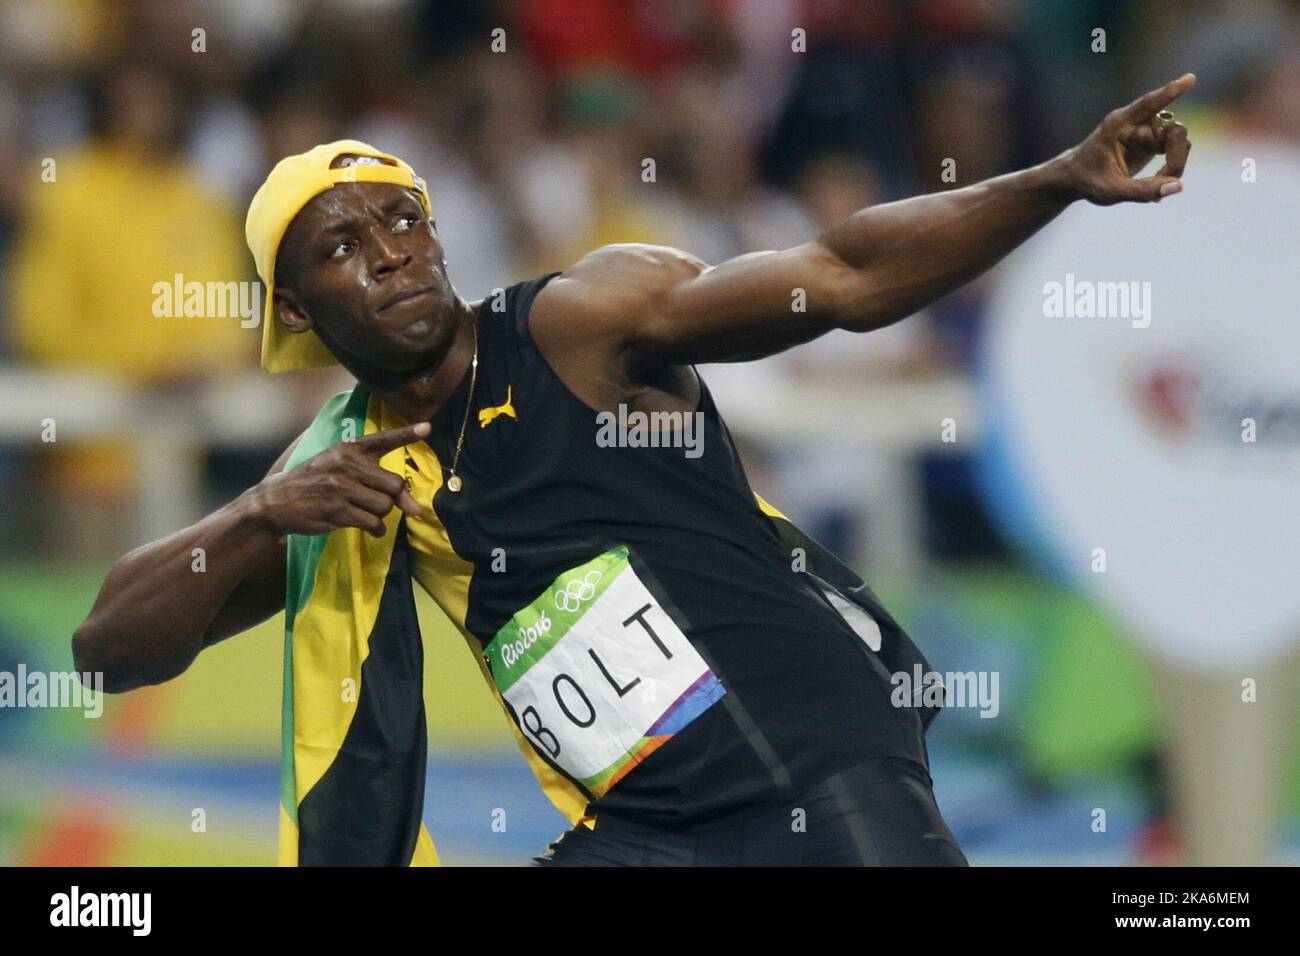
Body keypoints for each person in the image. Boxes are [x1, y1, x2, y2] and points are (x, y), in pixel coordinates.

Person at [71, 75, 1195, 866]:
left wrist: (1057, 178)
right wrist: (265, 511)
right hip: (652, 826)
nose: (390, 253)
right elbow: (109, 650)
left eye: (403, 218)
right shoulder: (344, 474)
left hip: (816, 761)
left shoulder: (578, 321)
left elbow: (840, 275)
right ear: (295, 310)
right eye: (341, 247)